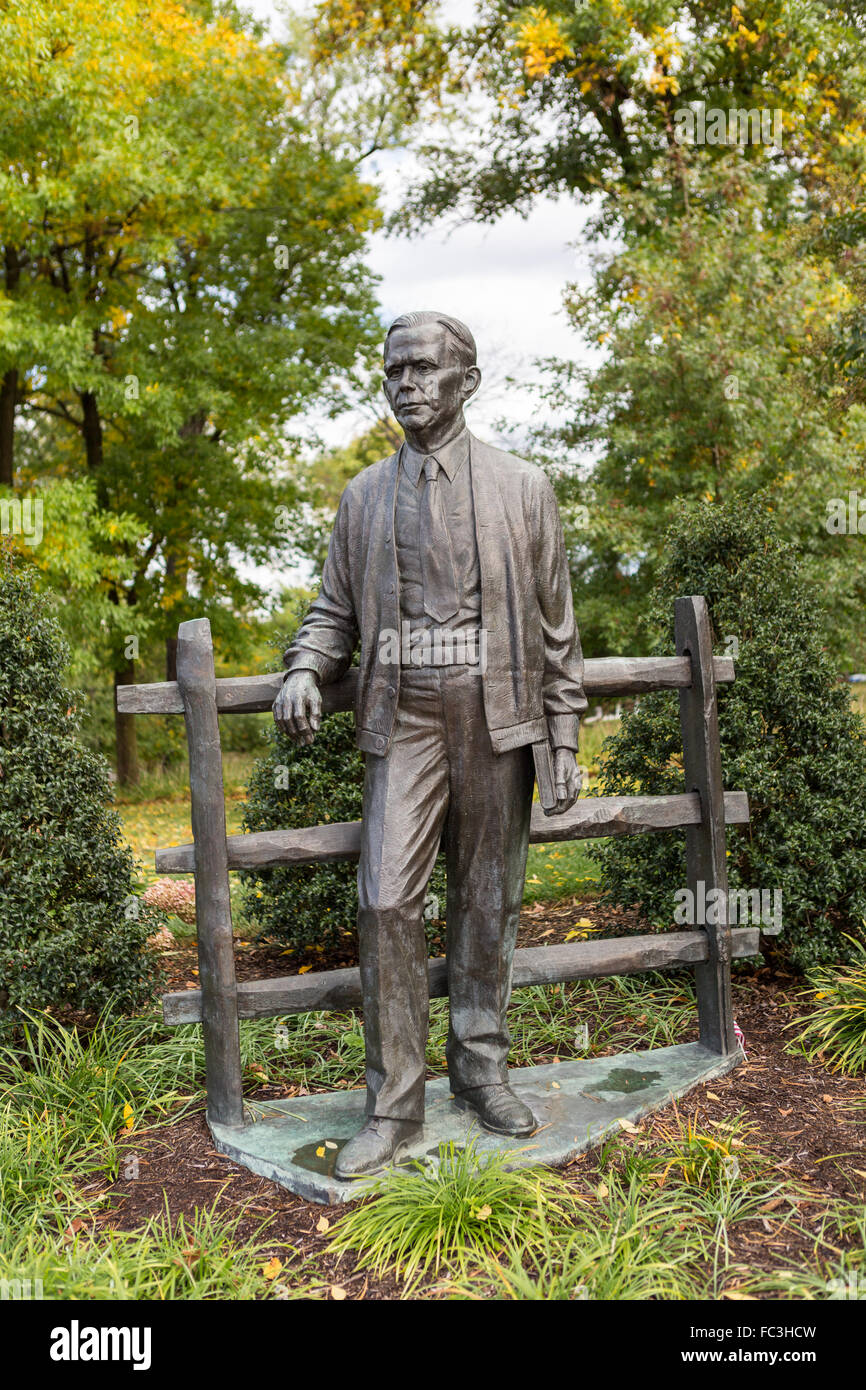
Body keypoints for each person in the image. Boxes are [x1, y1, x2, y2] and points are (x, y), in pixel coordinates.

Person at [274, 311, 587, 1177]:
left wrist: (562, 735)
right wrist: (305, 667)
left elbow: (558, 630)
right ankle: (393, 1103)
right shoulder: (364, 496)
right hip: (402, 713)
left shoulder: (525, 488)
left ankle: (482, 1072)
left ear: (466, 380)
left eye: (422, 369)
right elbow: (333, 609)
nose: (405, 385)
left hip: (496, 715)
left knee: (487, 904)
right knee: (384, 901)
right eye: (393, 372)